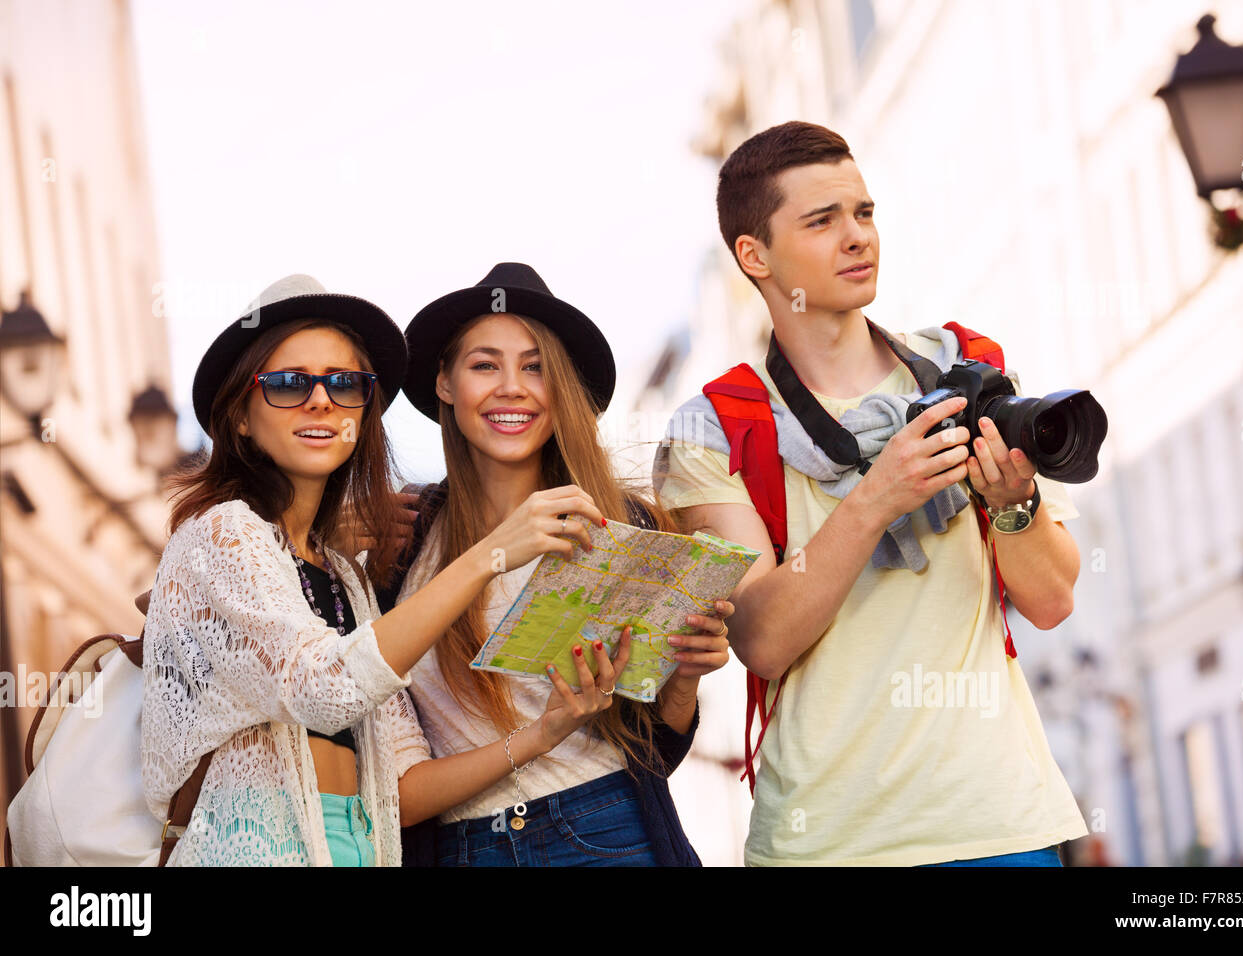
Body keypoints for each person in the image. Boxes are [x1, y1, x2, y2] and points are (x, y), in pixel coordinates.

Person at [654, 122, 1089, 866]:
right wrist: (876, 496)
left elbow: (1050, 602)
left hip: (1001, 823)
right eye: (822, 221)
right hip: (828, 841)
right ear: (753, 255)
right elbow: (762, 639)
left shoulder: (965, 369)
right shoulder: (712, 429)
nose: (858, 237)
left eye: (864, 213)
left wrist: (1013, 506)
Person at [140, 274, 601, 866]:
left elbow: (403, 787)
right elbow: (325, 689)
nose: (320, 400)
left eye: (344, 383)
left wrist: (541, 736)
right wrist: (489, 556)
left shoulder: (342, 575)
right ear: (241, 419)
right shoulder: (220, 532)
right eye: (286, 383)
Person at [388, 262, 731, 866]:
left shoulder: (620, 525)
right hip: (462, 848)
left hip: (606, 827)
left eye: (536, 367)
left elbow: (655, 751)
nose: (513, 388)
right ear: (445, 383)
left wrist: (684, 678)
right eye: (485, 365)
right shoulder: (405, 543)